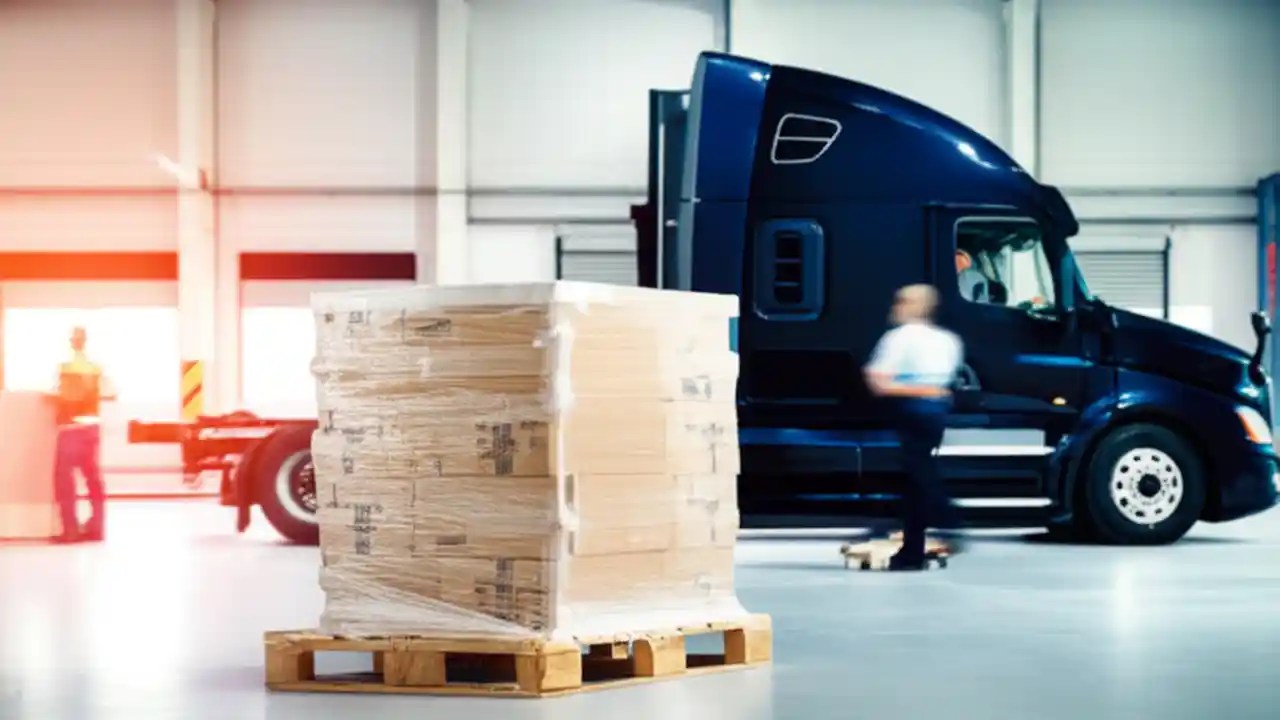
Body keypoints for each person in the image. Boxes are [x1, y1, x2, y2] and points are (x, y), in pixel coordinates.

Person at [863, 284, 965, 570]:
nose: (895, 306)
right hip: (938, 412)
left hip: (911, 411)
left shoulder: (898, 338)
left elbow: (879, 382)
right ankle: (912, 551)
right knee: (915, 480)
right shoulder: (947, 340)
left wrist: (904, 388)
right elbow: (944, 384)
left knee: (920, 476)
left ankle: (948, 521)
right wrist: (933, 392)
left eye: (900, 301)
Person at [49, 326, 116, 544]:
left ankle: (70, 530)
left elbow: (56, 394)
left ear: (72, 341)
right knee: (93, 479)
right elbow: (111, 393)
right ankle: (97, 529)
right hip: (91, 428)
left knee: (64, 480)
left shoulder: (65, 367)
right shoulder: (96, 367)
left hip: (70, 428)